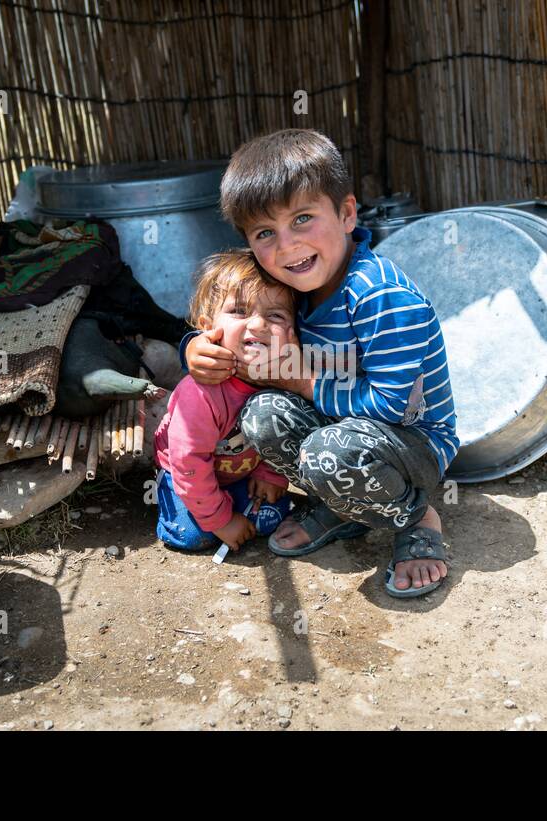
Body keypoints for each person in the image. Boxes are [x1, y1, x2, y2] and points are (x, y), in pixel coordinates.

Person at [185, 129, 457, 597]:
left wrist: (302, 379)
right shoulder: (294, 286)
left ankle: (417, 516)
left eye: (303, 219)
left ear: (347, 213)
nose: (287, 246)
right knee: (262, 416)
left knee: (329, 452)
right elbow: (234, 329)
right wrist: (196, 347)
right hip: (340, 434)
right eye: (265, 233)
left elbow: (392, 407)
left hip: (411, 442)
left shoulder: (381, 298)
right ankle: (341, 507)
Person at [153, 250, 294, 552]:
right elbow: (188, 463)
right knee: (193, 536)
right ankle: (186, 502)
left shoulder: (287, 377)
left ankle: (228, 503)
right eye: (240, 312)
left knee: (270, 517)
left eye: (276, 315)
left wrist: (270, 474)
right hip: (187, 474)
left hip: (241, 471)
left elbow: (286, 437)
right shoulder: (201, 393)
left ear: (293, 334)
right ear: (207, 328)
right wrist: (220, 521)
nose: (257, 325)